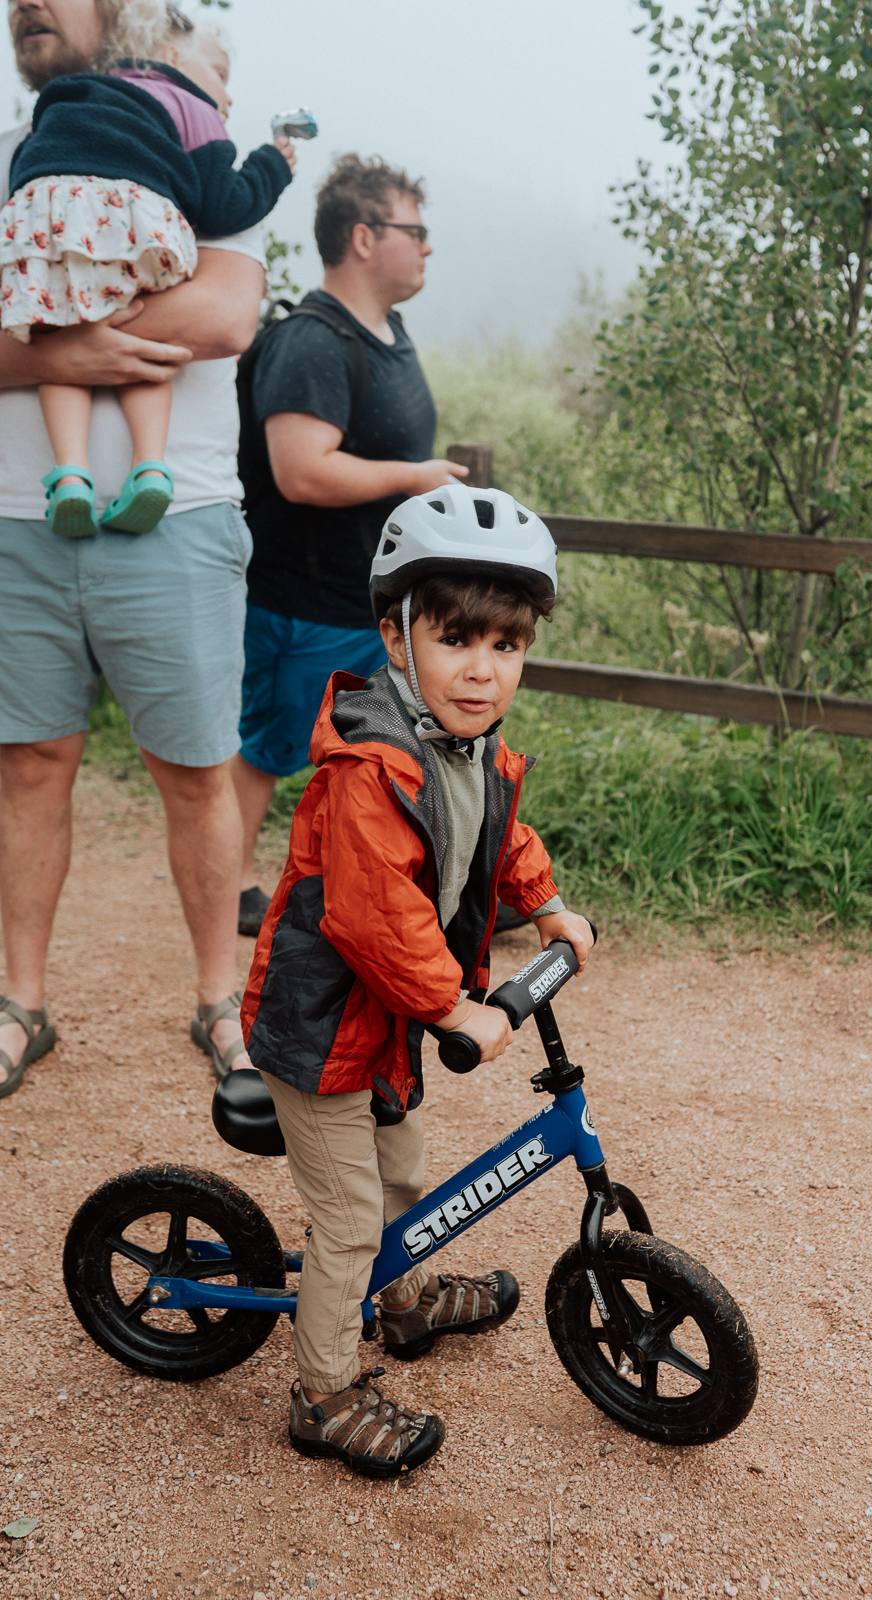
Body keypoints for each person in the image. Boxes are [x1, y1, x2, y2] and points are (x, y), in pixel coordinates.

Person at [240, 483, 595, 1478]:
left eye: (506, 647)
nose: (482, 671)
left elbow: (498, 837)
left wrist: (547, 904)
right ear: (397, 640)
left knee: (403, 1170)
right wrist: (451, 1006)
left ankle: (403, 1302)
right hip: (322, 1033)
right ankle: (323, 1392)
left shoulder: (467, 749)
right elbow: (372, 915)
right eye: (455, 641)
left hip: (383, 1024)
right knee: (350, 1215)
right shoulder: (368, 771)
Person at [0, 0, 269, 1097]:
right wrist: (81, 341)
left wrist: (43, 331)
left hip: (183, 513)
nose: (24, 3)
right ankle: (20, 1003)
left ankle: (222, 1004)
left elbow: (226, 316)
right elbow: (175, 305)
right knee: (25, 769)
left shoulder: (191, 125)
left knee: (199, 775)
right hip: (18, 515)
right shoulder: (13, 155)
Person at [232, 152, 468, 941]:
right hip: (301, 602)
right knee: (269, 750)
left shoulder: (388, 332)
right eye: (416, 230)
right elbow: (301, 473)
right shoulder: (310, 342)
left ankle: (405, 892)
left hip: (374, 602)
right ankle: (227, 890)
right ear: (363, 237)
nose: (428, 246)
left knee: (386, 758)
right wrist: (415, 477)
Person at [0, 4, 295, 536]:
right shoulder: (190, 117)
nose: (226, 97)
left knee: (50, 309)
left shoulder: (38, 140)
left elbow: (223, 319)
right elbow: (229, 205)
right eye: (221, 78)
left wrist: (48, 348)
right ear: (171, 55)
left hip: (183, 528)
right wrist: (271, 165)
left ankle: (69, 477)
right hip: (20, 529)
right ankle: (151, 466)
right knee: (144, 348)